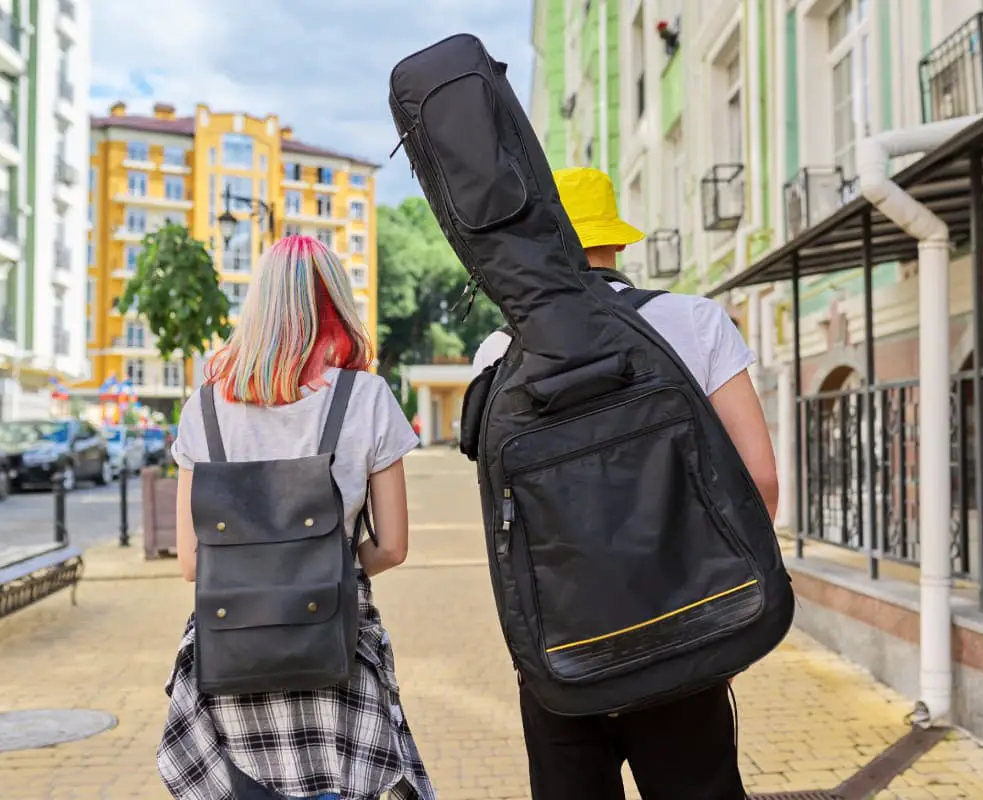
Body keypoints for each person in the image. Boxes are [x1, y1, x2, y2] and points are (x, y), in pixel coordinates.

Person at [471, 167, 779, 800]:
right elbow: (761, 482)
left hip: (561, 651)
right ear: (615, 242)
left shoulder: (499, 353)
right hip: (686, 632)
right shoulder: (695, 321)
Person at [157, 235, 436, 800]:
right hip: (333, 649)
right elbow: (394, 547)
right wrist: (318, 563)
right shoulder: (367, 398)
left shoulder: (204, 407)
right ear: (335, 301)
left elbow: (191, 563)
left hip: (232, 653)